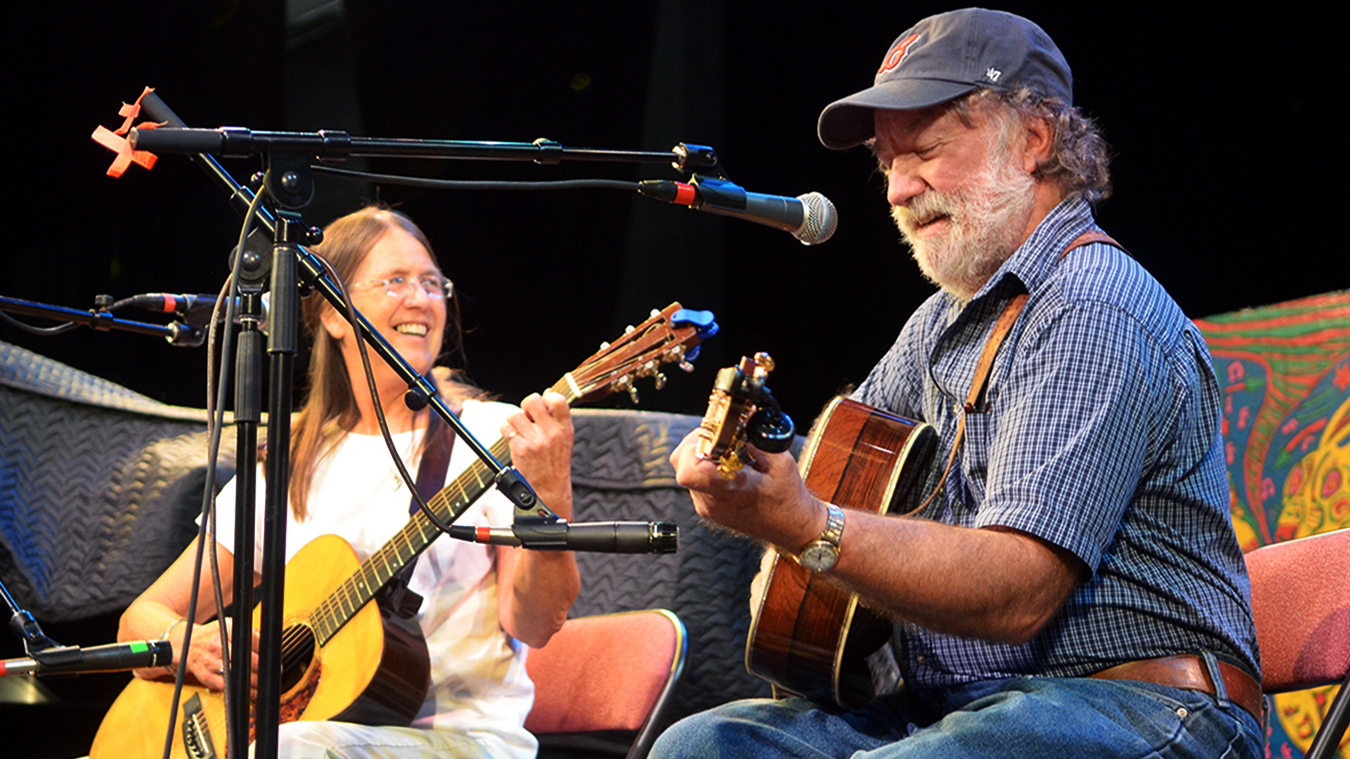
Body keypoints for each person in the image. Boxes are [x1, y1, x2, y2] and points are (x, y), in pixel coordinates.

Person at [653, 8, 1262, 759]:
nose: (895, 192)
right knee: (705, 746)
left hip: (1140, 705)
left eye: (927, 153)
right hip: (967, 711)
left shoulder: (1092, 304)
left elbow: (1015, 590)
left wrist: (805, 524)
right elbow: (840, 472)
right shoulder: (943, 321)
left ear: (1034, 140)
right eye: (886, 163)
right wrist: (761, 470)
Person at [115, 206, 579, 759]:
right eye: (395, 281)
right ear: (334, 314)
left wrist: (550, 495)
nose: (420, 299)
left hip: (463, 742)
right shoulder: (289, 464)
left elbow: (535, 622)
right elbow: (138, 620)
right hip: (307, 733)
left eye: (433, 283)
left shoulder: (489, 435)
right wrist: (191, 646)